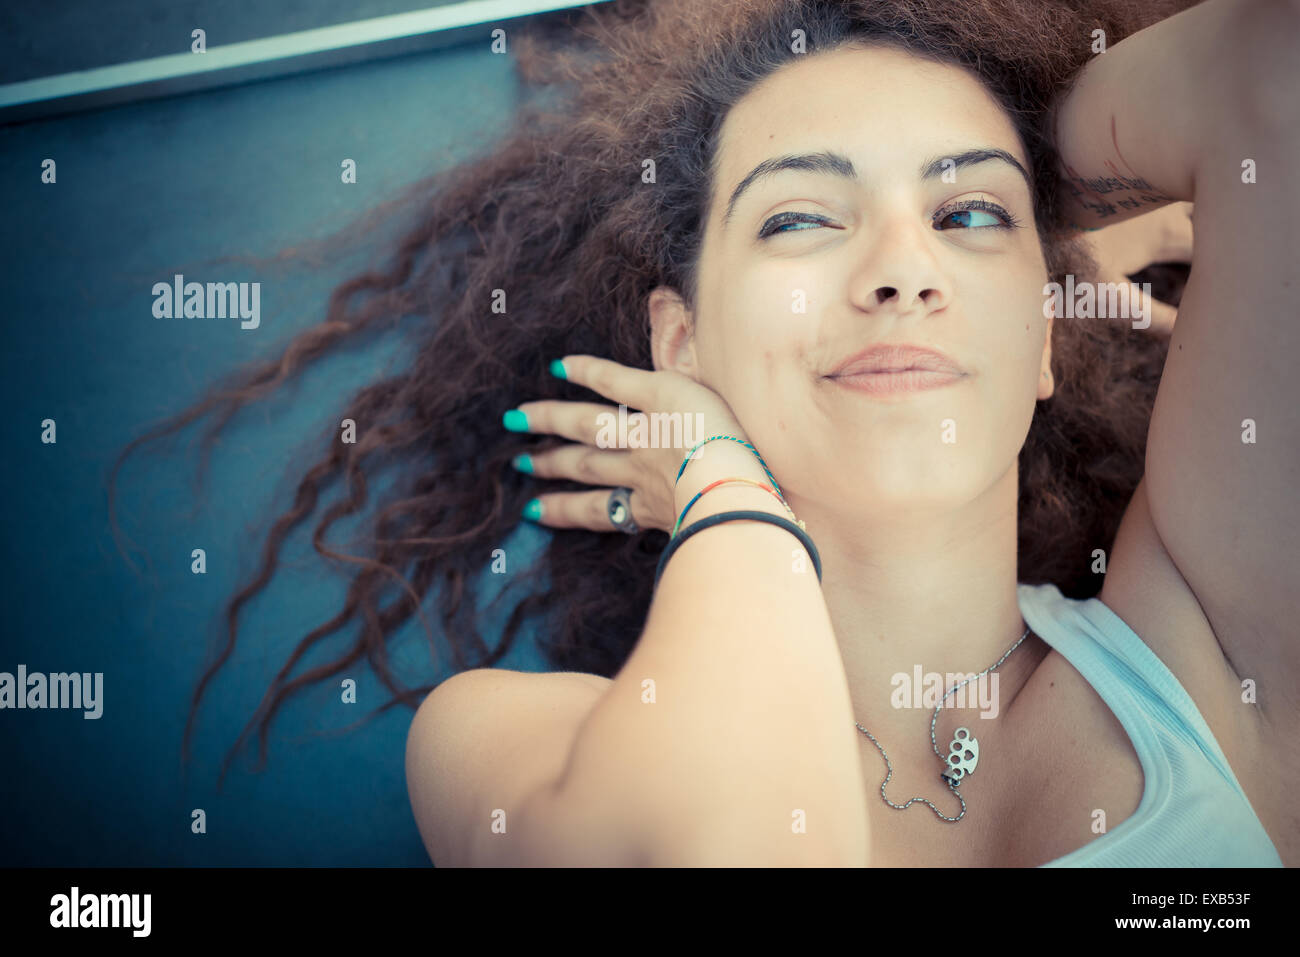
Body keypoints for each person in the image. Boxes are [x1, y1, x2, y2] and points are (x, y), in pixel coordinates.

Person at [403, 0, 1295, 867]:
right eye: (800, 219)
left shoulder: (1213, 644)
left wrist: (1028, 137)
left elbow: (1271, 71)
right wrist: (724, 493)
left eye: (971, 216)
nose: (905, 269)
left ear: (1044, 336)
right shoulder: (500, 736)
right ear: (684, 347)